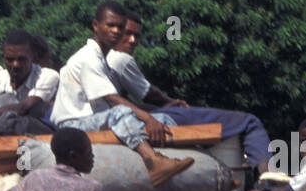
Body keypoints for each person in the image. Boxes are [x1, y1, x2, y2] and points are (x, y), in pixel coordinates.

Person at [51, 0, 194, 187]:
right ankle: (153, 161)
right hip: (72, 126)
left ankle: (187, 161)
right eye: (110, 25)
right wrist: (148, 120)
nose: (116, 31)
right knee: (123, 112)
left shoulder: (103, 60)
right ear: (96, 25)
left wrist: (153, 119)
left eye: (120, 27)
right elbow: (113, 100)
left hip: (95, 120)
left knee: (164, 119)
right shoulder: (87, 58)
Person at [109, 12, 272, 171]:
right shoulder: (120, 59)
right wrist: (170, 102)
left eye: (137, 36)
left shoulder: (96, 59)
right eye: (127, 34)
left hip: (120, 119)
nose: (133, 40)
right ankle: (268, 177)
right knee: (250, 122)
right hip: (141, 119)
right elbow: (149, 94)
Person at [0, 30, 60, 119]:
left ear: (32, 57)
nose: (15, 65)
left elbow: (24, 107)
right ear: (3, 58)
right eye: (10, 60)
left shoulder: (47, 76)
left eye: (21, 59)